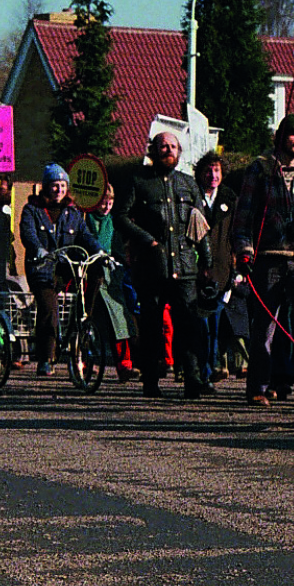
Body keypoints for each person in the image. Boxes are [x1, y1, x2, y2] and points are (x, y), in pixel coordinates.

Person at [233, 114, 294, 410]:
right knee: (265, 328)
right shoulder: (259, 169)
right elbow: (243, 216)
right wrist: (244, 251)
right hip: (269, 258)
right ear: (281, 136)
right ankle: (258, 387)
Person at [116, 132, 213, 399]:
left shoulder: (188, 184)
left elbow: (200, 226)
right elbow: (121, 216)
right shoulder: (139, 181)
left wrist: (207, 262)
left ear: (179, 151)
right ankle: (150, 382)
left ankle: (192, 380)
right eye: (162, 146)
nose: (167, 150)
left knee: (189, 325)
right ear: (153, 150)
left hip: (184, 267)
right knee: (150, 327)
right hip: (152, 268)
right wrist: (146, 240)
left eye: (172, 146)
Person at [19, 164, 102, 376]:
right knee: (49, 309)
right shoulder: (33, 210)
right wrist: (38, 249)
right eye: (55, 185)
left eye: (62, 185)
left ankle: (82, 328)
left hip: (67, 267)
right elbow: (28, 234)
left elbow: (86, 236)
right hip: (42, 268)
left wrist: (99, 252)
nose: (59, 190)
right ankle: (46, 357)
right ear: (46, 187)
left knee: (96, 275)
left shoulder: (73, 212)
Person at [80, 182, 136, 380]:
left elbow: (122, 248)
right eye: (103, 202)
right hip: (90, 274)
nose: (106, 206)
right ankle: (86, 362)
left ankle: (125, 364)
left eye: (110, 202)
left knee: (119, 320)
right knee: (88, 319)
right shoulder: (85, 220)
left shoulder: (115, 222)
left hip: (113, 276)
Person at [193, 152, 237, 386]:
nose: (213, 175)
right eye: (209, 170)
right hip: (198, 269)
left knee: (216, 322)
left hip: (222, 269)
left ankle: (213, 366)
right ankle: (204, 370)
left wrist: (236, 264)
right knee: (201, 323)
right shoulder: (193, 197)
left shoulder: (229, 198)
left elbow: (235, 233)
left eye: (217, 170)